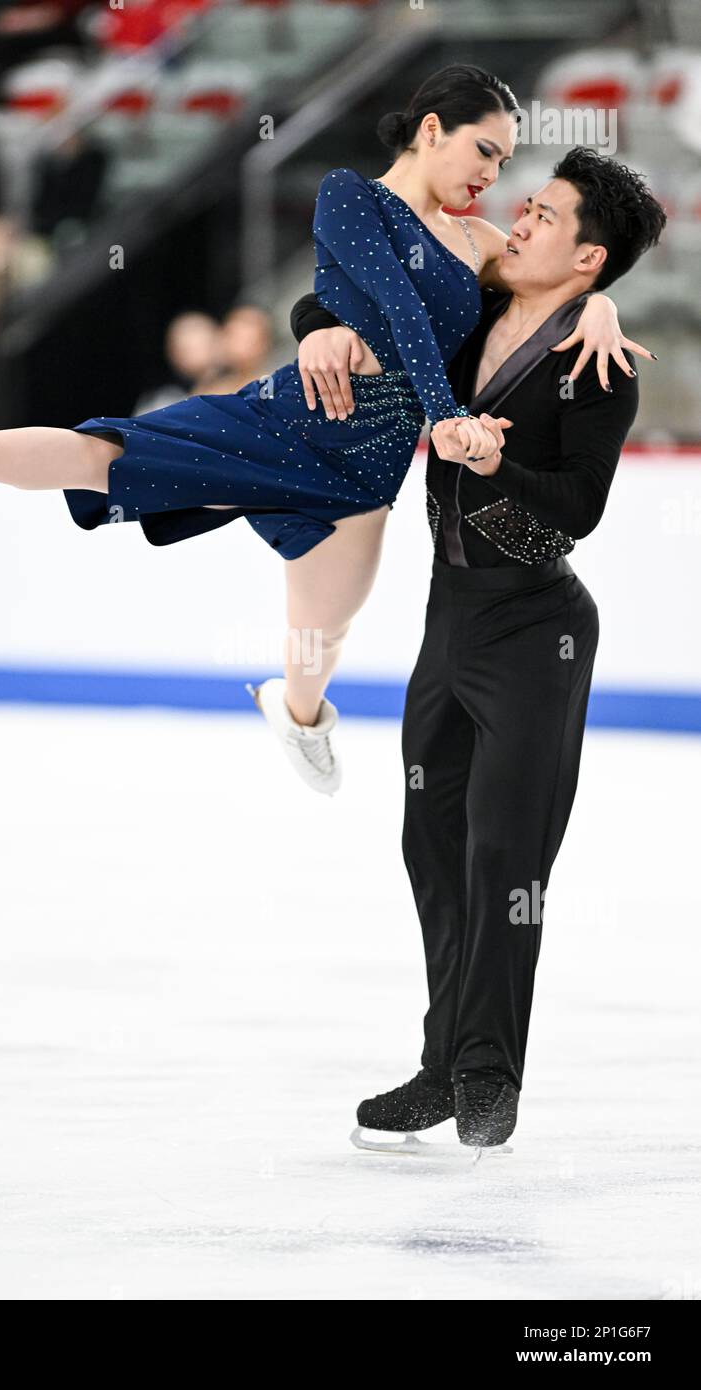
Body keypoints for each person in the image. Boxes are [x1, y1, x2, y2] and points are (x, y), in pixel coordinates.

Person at [0, 66, 642, 797]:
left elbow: (555, 284)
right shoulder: (348, 194)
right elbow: (399, 307)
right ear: (432, 129)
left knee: (323, 629)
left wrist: (601, 304)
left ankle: (298, 716)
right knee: (113, 455)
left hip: (364, 477)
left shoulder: (481, 243)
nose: (492, 176)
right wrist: (424, 399)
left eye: (503, 163)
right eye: (484, 151)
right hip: (288, 421)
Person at [289, 146, 666, 1148]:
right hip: (444, 621)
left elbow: (572, 516)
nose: (518, 218)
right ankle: (439, 1064)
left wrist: (497, 462)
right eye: (525, 203)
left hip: (532, 631)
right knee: (431, 848)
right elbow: (336, 293)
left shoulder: (598, 365)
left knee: (504, 855)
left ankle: (487, 1075)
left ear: (584, 261)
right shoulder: (458, 315)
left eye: (542, 214)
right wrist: (320, 329)